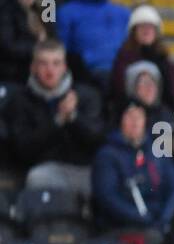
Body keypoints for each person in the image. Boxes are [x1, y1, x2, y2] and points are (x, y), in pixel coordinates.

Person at [7, 38, 106, 193]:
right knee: (37, 178)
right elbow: (23, 149)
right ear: (33, 67)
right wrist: (57, 120)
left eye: (56, 63)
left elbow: (97, 139)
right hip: (46, 171)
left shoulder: (86, 95)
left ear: (64, 67)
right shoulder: (20, 100)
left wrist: (74, 117)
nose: (50, 70)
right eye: (43, 63)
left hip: (84, 169)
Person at [90, 102, 174, 238]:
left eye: (139, 116)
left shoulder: (156, 151)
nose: (135, 121)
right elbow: (107, 196)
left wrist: (165, 217)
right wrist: (142, 219)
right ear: (120, 120)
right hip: (122, 229)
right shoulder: (107, 155)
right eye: (129, 116)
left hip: (159, 225)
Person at [56, 0, 129, 87]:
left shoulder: (123, 13)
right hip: (86, 75)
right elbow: (61, 49)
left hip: (121, 73)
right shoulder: (67, 12)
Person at [108, 4, 174, 117]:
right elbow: (118, 92)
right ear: (133, 31)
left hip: (162, 113)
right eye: (142, 27)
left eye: (150, 27)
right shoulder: (123, 59)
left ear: (157, 32)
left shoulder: (165, 61)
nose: (146, 30)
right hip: (131, 113)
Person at [0, 0, 51, 83]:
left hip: (45, 64)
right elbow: (8, 46)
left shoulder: (47, 5)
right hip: (15, 71)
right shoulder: (6, 10)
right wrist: (37, 48)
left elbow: (54, 35)